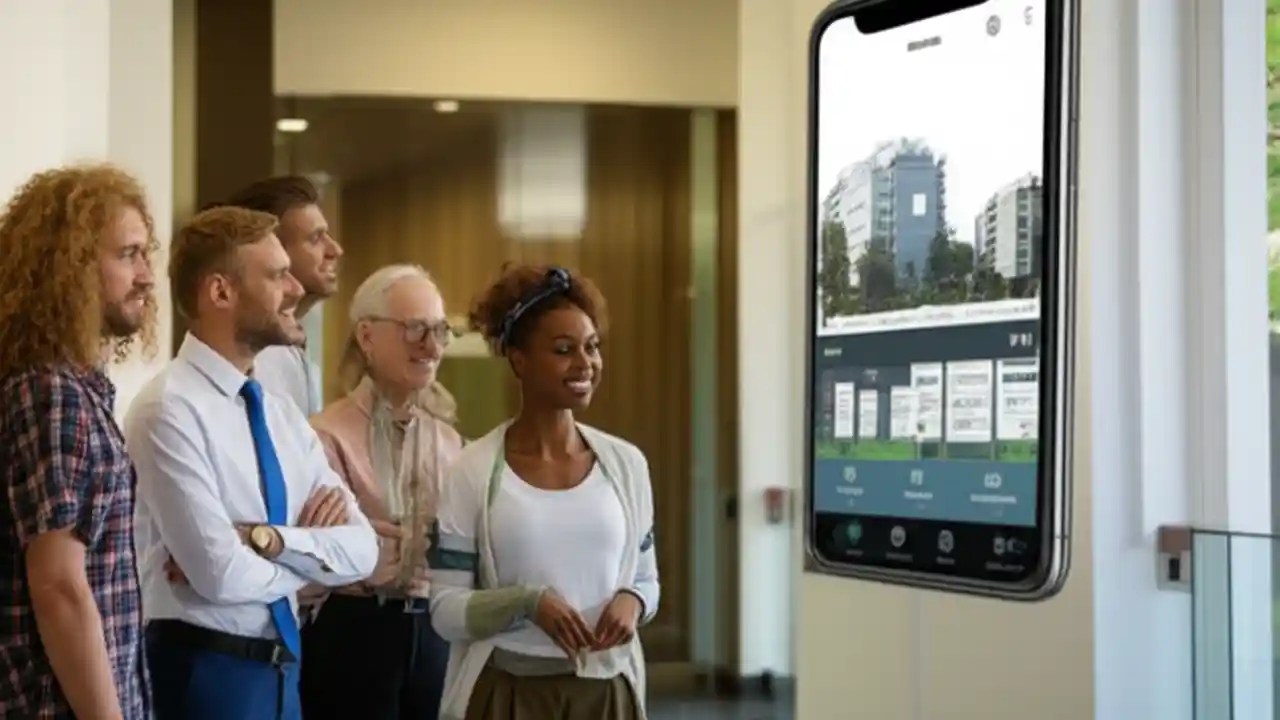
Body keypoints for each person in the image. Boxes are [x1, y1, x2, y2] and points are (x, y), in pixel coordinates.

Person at [123, 206, 379, 720]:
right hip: (205, 676)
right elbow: (219, 576)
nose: (295, 289)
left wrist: (269, 540)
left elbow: (364, 549)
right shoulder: (168, 409)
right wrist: (314, 565)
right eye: (277, 275)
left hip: (283, 675)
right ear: (221, 292)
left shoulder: (280, 413)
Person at [431, 265, 659, 720]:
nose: (585, 363)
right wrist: (527, 603)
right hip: (509, 695)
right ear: (519, 359)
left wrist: (632, 602)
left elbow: (647, 581)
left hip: (605, 694)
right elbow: (445, 610)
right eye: (563, 350)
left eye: (592, 347)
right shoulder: (471, 470)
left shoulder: (627, 465)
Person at [0, 164, 157, 719]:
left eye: (146, 254)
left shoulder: (79, 390)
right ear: (68, 268)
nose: (146, 275)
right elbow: (59, 587)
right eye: (128, 255)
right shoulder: (49, 394)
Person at [302, 264, 463, 719]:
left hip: (435, 630)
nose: (431, 346)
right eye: (415, 329)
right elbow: (316, 558)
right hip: (354, 633)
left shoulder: (451, 441)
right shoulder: (322, 437)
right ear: (367, 337)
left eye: (439, 331)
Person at [221, 174, 342, 417]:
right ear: (273, 250)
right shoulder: (257, 357)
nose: (335, 250)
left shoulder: (290, 349)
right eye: (316, 238)